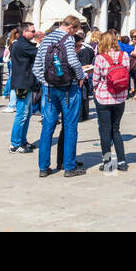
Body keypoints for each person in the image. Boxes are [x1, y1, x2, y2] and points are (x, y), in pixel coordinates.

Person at [33, 15, 89, 177]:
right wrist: (80, 77)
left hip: (50, 90)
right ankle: (69, 167)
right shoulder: (68, 39)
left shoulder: (46, 39)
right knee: (70, 127)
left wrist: (47, 82)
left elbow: (37, 68)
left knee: (47, 128)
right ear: (71, 27)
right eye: (75, 30)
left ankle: (43, 167)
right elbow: (72, 60)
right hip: (68, 89)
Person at [91, 32, 130, 172]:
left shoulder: (100, 58)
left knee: (105, 130)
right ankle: (122, 161)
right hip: (120, 97)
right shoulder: (124, 56)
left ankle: (107, 161)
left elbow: (95, 79)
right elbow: (127, 72)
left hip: (103, 97)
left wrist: (95, 89)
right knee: (116, 129)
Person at [9, 27, 40, 153]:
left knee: (27, 114)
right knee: (21, 114)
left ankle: (22, 140)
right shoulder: (22, 45)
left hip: (27, 82)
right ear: (24, 32)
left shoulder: (24, 44)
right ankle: (15, 144)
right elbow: (38, 53)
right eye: (32, 31)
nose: (34, 33)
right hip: (22, 83)